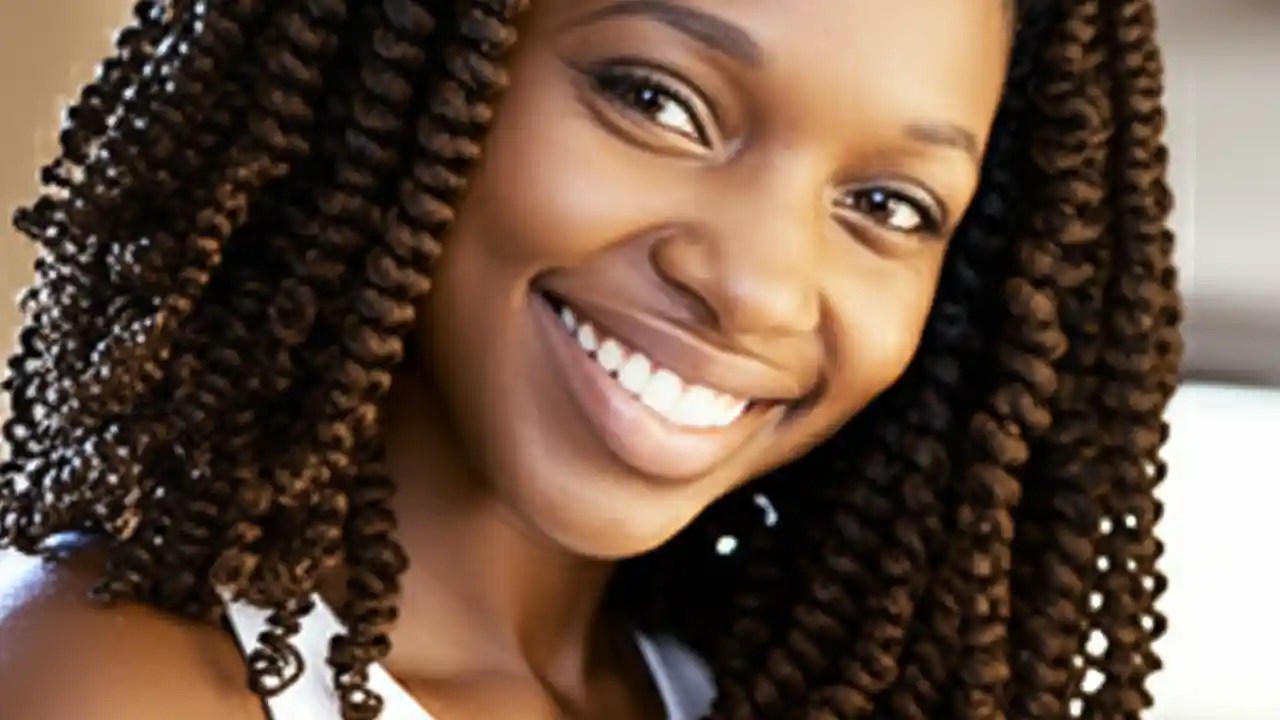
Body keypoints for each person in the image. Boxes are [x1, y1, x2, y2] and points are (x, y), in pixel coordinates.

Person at [0, 0, 1182, 718]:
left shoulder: (720, 692)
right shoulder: (105, 687)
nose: (759, 285)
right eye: (656, 101)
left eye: (886, 202)